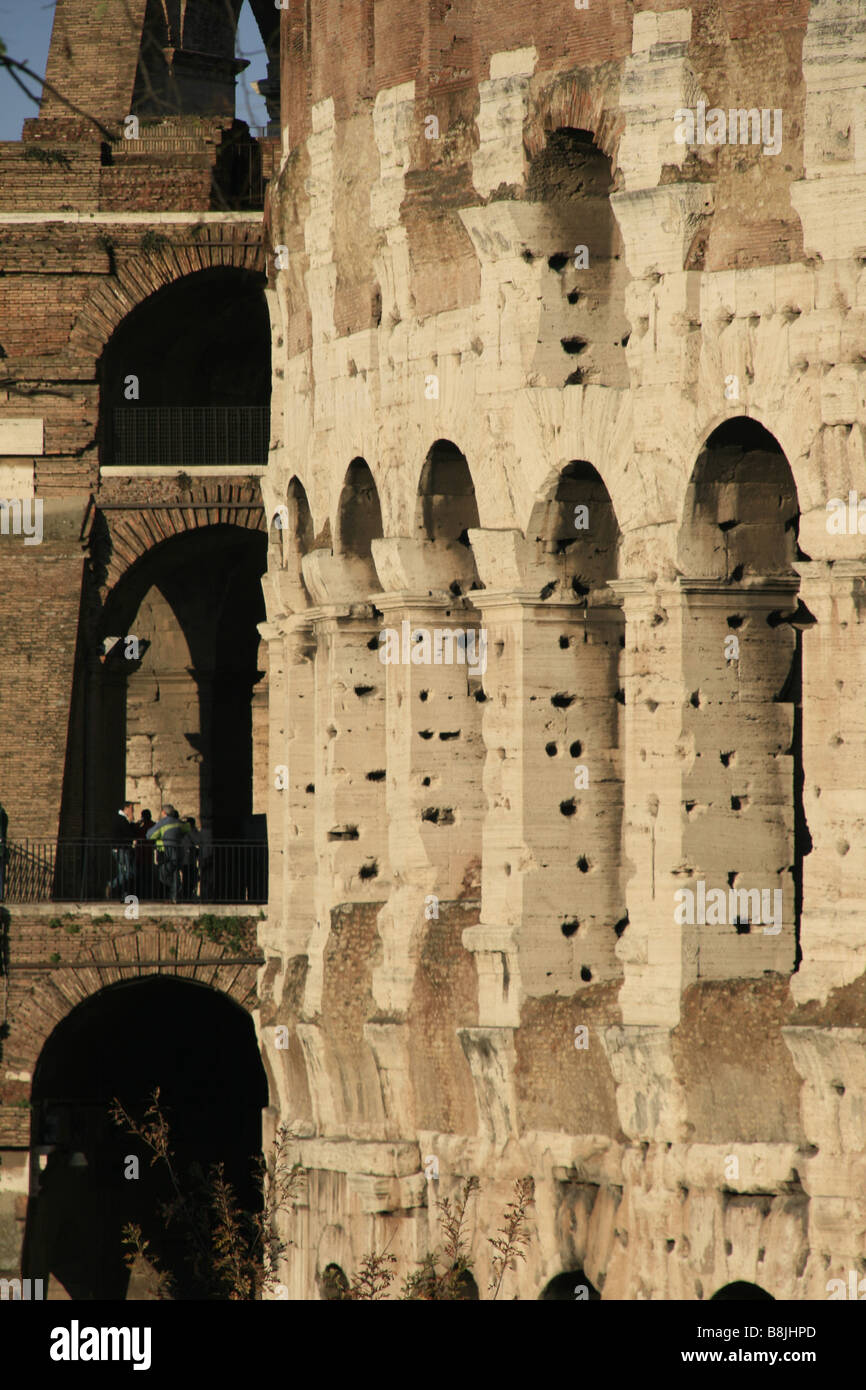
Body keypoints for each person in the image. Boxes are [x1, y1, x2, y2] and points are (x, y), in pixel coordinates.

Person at [146, 806, 193, 905]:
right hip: (178, 851)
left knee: (163, 873)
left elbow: (149, 835)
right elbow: (187, 828)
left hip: (165, 852)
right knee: (175, 873)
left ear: (163, 812)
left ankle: (175, 891)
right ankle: (175, 896)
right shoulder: (178, 822)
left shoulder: (162, 823)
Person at [108, 803, 136, 899]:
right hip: (122, 849)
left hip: (119, 849)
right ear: (126, 808)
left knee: (122, 872)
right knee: (128, 872)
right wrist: (132, 822)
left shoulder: (118, 819)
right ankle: (111, 885)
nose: (132, 811)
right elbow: (129, 834)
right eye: (131, 809)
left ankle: (123, 894)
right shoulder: (122, 820)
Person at [134, 809, 154, 899]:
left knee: (142, 875)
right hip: (145, 853)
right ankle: (146, 894)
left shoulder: (143, 826)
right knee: (145, 875)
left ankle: (143, 894)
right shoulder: (153, 825)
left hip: (143, 853)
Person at [182, 815, 201, 900]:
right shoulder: (191, 831)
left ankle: (186, 894)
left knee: (187, 877)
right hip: (188, 858)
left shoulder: (183, 830)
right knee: (189, 878)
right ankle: (187, 894)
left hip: (186, 857)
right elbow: (197, 840)